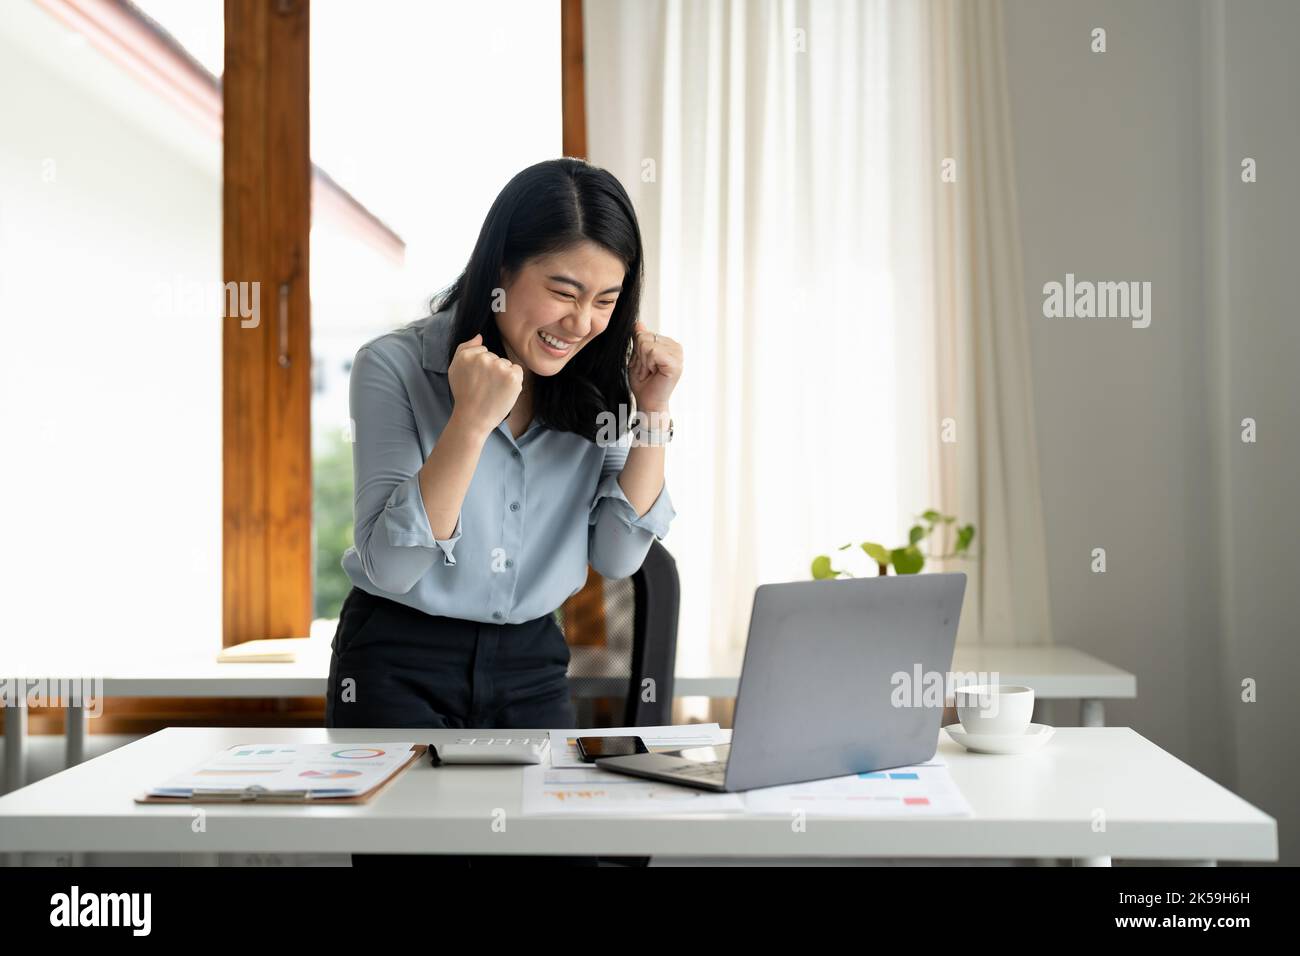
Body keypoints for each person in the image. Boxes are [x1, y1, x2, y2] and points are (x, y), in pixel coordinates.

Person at [325, 157, 682, 866]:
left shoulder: (600, 387)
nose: (581, 322)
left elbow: (616, 556)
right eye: (563, 291)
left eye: (607, 299)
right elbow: (392, 566)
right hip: (397, 661)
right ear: (501, 270)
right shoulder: (393, 366)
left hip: (530, 667)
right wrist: (469, 423)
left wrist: (653, 415)